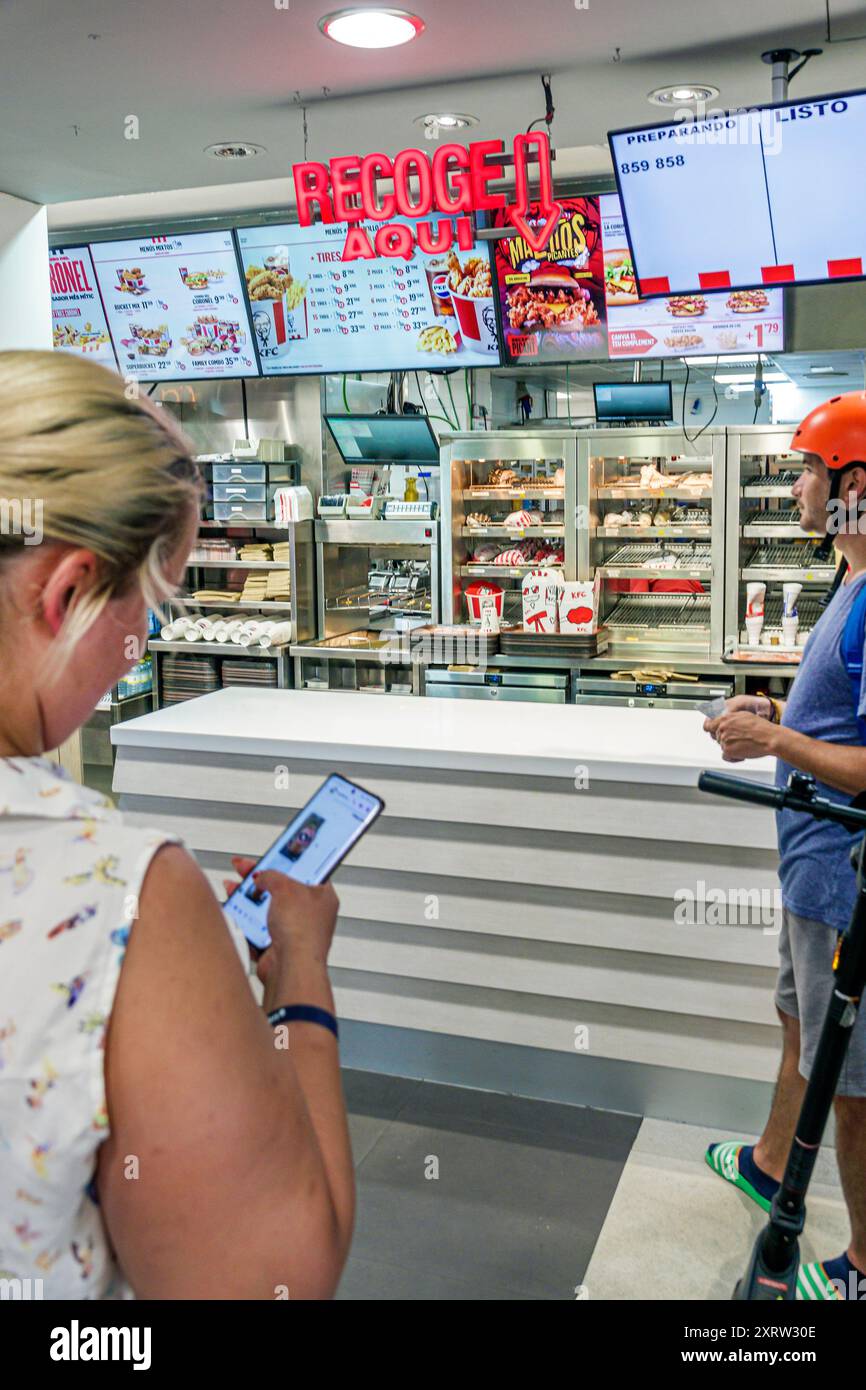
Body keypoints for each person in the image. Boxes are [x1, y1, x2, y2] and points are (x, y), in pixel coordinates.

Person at [0, 351, 354, 1299]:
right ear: (69, 594)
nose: (133, 654)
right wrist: (301, 981)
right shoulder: (119, 891)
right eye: (144, 609)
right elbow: (275, 1278)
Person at [703, 391, 866, 1301]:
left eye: (809, 469)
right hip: (810, 864)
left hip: (846, 879)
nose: (796, 485)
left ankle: (864, 1271)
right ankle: (771, 1161)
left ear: (857, 484)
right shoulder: (850, 572)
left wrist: (774, 743)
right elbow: (836, 715)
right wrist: (776, 713)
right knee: (799, 1023)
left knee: (854, 1080)